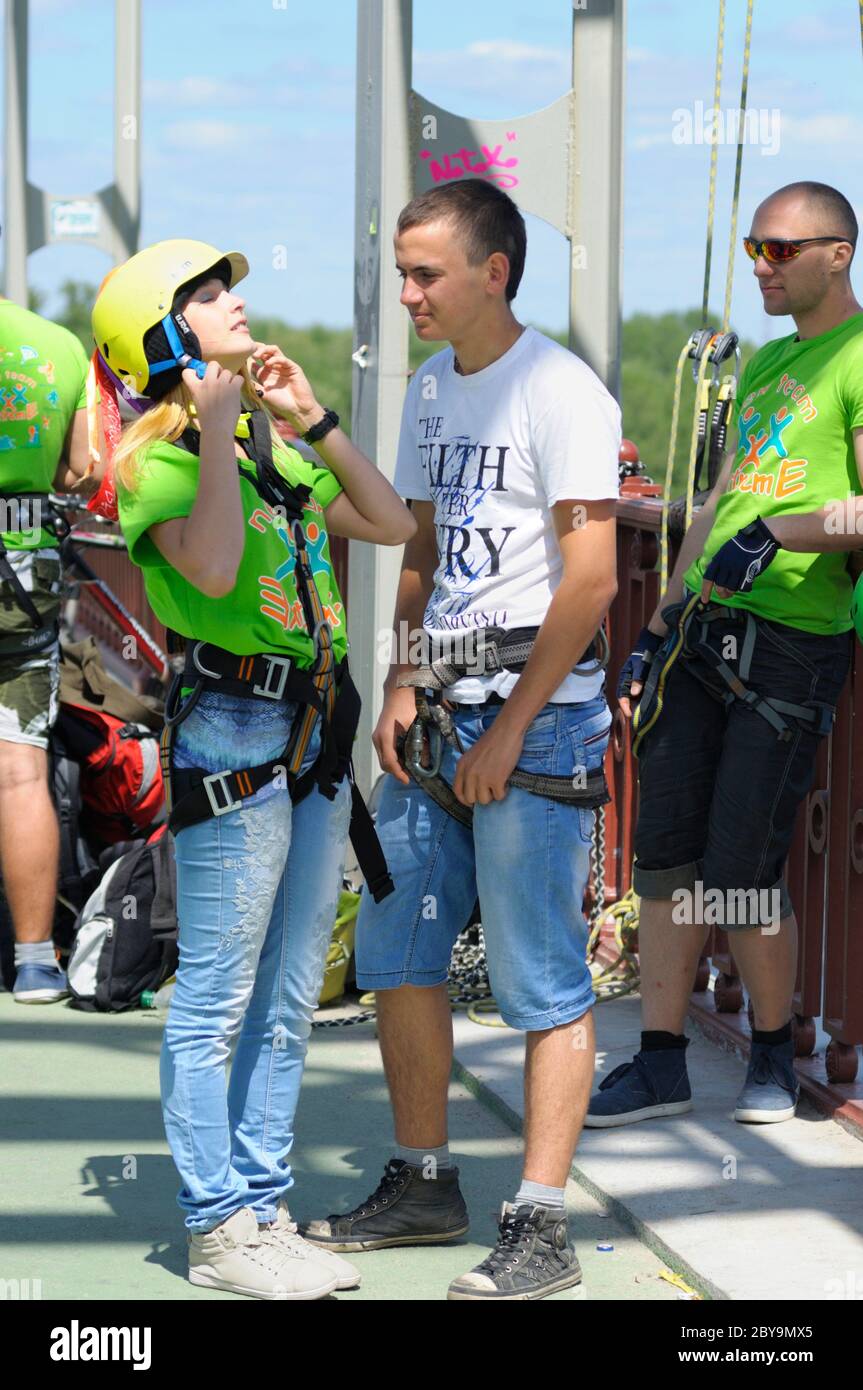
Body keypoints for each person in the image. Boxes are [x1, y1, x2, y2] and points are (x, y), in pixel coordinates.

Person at [303, 180, 621, 1301]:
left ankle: (539, 1225)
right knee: (395, 956)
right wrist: (398, 678)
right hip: (433, 723)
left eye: (427, 272)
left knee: (540, 977)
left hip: (533, 732)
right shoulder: (431, 388)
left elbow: (592, 579)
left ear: (495, 271)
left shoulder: (561, 391)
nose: (408, 293)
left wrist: (513, 727)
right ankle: (425, 1181)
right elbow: (423, 550)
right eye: (401, 271)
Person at [92, 239, 415, 1300]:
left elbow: (388, 521)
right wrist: (224, 429)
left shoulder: (275, 447)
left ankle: (264, 1202)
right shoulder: (156, 464)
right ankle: (216, 1227)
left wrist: (310, 416)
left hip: (313, 733)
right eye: (209, 298)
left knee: (285, 998)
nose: (236, 305)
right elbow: (217, 566)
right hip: (232, 732)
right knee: (216, 1001)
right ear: (166, 336)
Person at [587, 180, 863, 1130]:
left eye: (780, 251)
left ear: (839, 253)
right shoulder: (764, 368)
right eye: (754, 247)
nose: (760, 266)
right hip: (702, 635)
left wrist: (786, 534)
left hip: (791, 644)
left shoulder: (859, 358)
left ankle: (774, 1062)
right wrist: (657, 621)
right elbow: (715, 504)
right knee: (663, 855)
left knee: (742, 867)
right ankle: (658, 1060)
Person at [0, 228, 100, 1004]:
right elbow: (84, 469)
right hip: (25, 566)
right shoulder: (57, 346)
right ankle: (36, 958)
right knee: (20, 770)